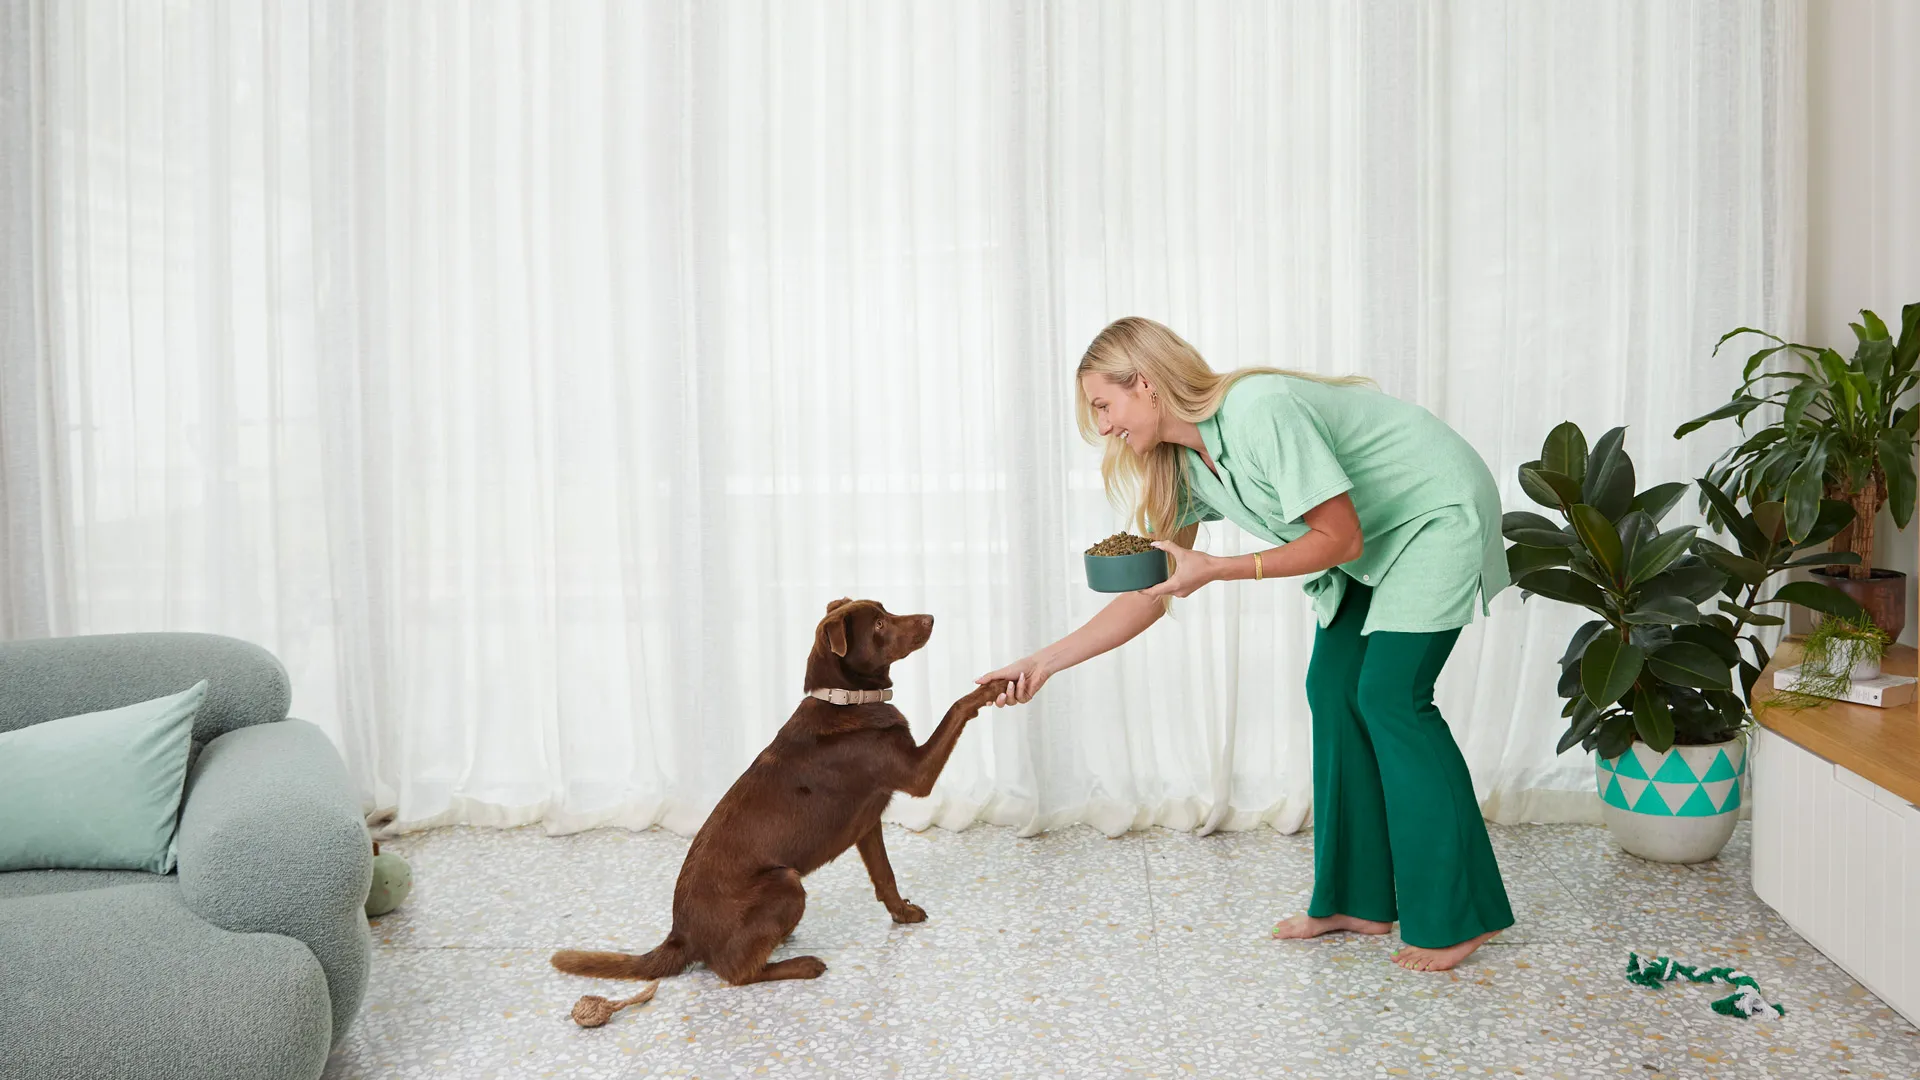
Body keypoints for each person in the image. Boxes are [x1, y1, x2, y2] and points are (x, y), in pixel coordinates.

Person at [977, 316, 1516, 972]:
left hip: (1433, 512)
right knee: (1333, 689)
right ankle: (1358, 898)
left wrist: (1222, 569)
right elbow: (1153, 594)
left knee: (1390, 697)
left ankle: (1462, 915)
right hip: (1375, 536)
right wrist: (1042, 663)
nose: (1103, 426)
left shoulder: (1259, 409)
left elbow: (1338, 539)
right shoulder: (1181, 467)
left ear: (1143, 383)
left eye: (1103, 405)